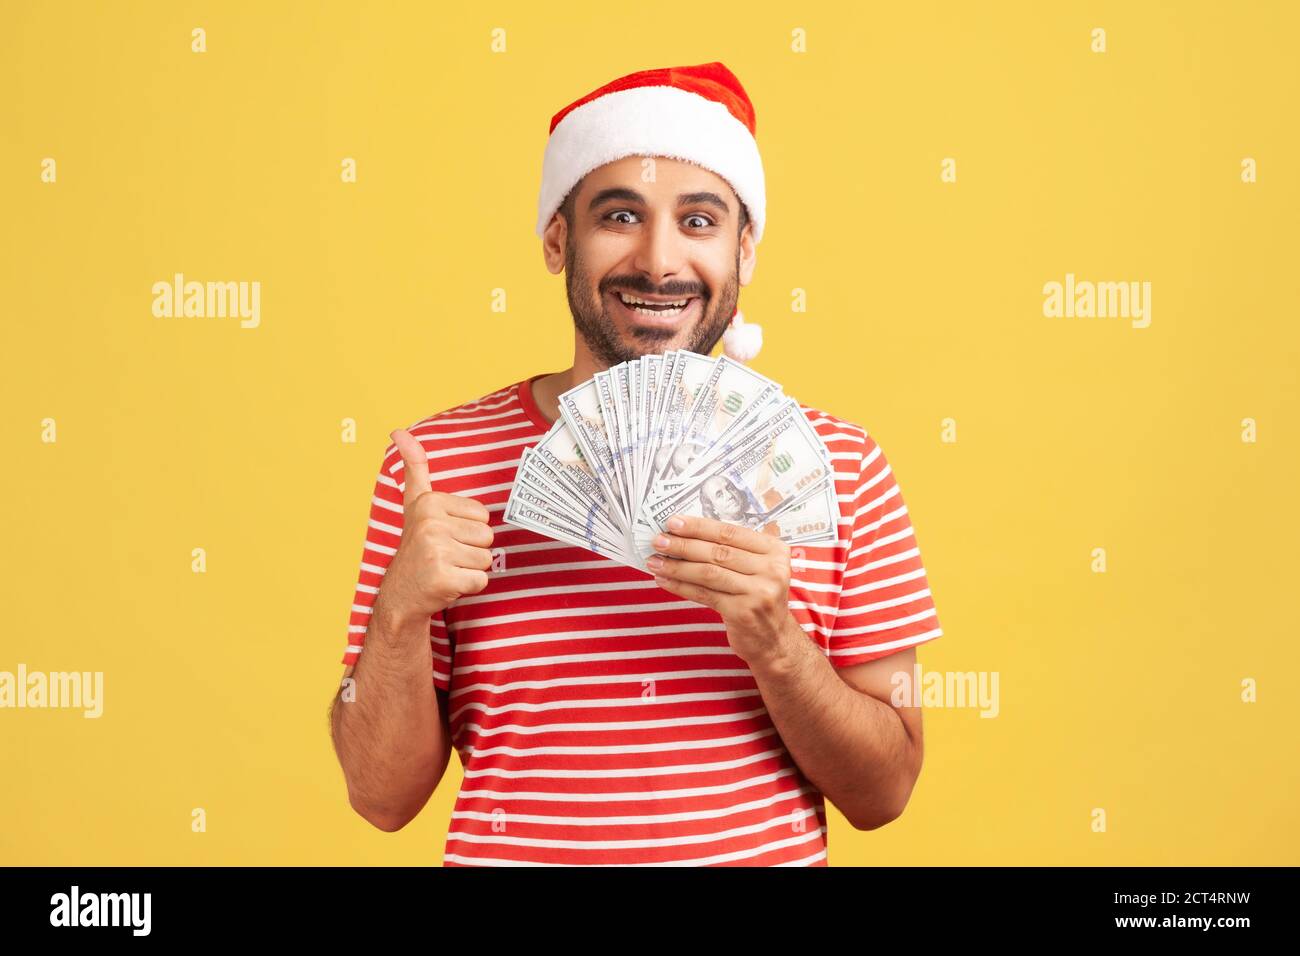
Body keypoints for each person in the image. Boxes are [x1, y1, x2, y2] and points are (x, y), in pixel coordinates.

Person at [329, 61, 944, 866]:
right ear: (558, 238)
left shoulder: (844, 467)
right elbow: (381, 798)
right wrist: (401, 613)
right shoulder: (436, 465)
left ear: (743, 252)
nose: (658, 262)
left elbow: (885, 794)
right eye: (620, 215)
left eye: (698, 221)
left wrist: (773, 640)